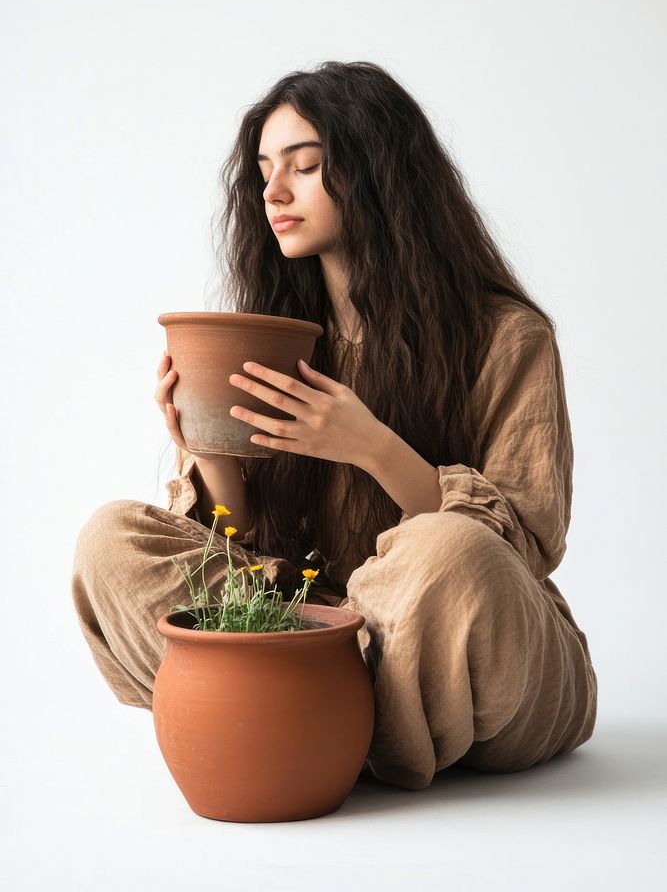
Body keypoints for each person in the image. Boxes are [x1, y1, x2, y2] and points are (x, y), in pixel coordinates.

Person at [71, 60, 597, 790]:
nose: (273, 192)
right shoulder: (277, 339)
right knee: (112, 540)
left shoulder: (506, 337)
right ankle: (317, 706)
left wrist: (369, 445)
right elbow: (239, 543)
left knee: (450, 548)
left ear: (380, 174)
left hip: (467, 657)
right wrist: (209, 450)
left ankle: (300, 720)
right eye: (264, 171)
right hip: (319, 631)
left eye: (306, 165)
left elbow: (522, 547)